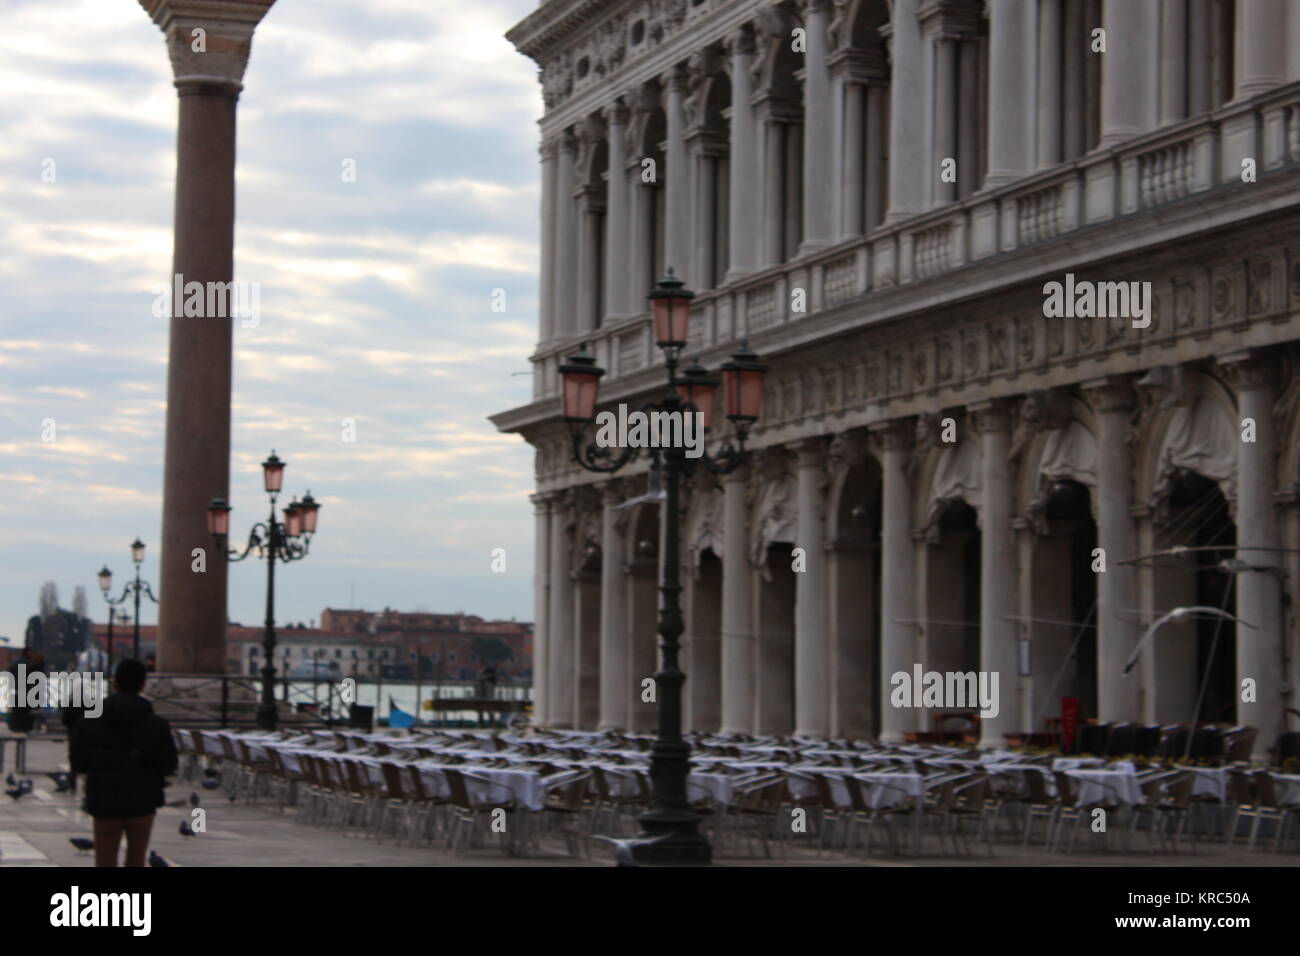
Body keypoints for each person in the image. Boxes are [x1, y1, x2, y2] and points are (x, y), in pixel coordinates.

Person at [70, 659, 177, 867]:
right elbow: (169, 764)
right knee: (137, 858)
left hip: (104, 800)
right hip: (143, 800)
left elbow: (78, 763)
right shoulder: (158, 725)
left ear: (114, 683)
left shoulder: (88, 723)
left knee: (104, 860)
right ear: (143, 685)